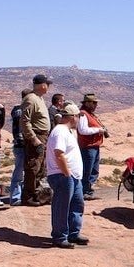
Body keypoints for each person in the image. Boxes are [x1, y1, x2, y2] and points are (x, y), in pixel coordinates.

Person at [46, 103, 87, 249]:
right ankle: (59, 236)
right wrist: (66, 173)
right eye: (78, 117)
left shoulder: (68, 131)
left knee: (77, 204)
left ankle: (73, 233)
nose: (79, 120)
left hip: (72, 176)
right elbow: (59, 153)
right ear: (73, 117)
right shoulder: (60, 131)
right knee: (62, 206)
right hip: (62, 175)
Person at [20, 74, 53, 206]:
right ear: (42, 85)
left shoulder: (39, 98)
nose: (49, 87)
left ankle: (36, 195)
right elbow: (24, 121)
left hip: (43, 136)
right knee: (33, 166)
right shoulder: (31, 99)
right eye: (47, 84)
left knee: (40, 167)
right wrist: (34, 139)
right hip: (37, 136)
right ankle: (28, 197)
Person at [77, 93, 109, 200]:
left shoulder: (90, 114)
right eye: (93, 103)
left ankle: (88, 190)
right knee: (87, 170)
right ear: (87, 103)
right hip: (87, 147)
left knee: (94, 170)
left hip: (94, 146)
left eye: (96, 103)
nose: (96, 105)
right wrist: (99, 130)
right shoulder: (83, 114)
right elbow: (83, 130)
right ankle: (84, 191)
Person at [8, 89, 31, 205]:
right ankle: (16, 197)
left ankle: (21, 195)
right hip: (21, 145)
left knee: (25, 171)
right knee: (19, 172)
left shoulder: (21, 110)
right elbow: (20, 130)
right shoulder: (20, 111)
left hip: (24, 145)